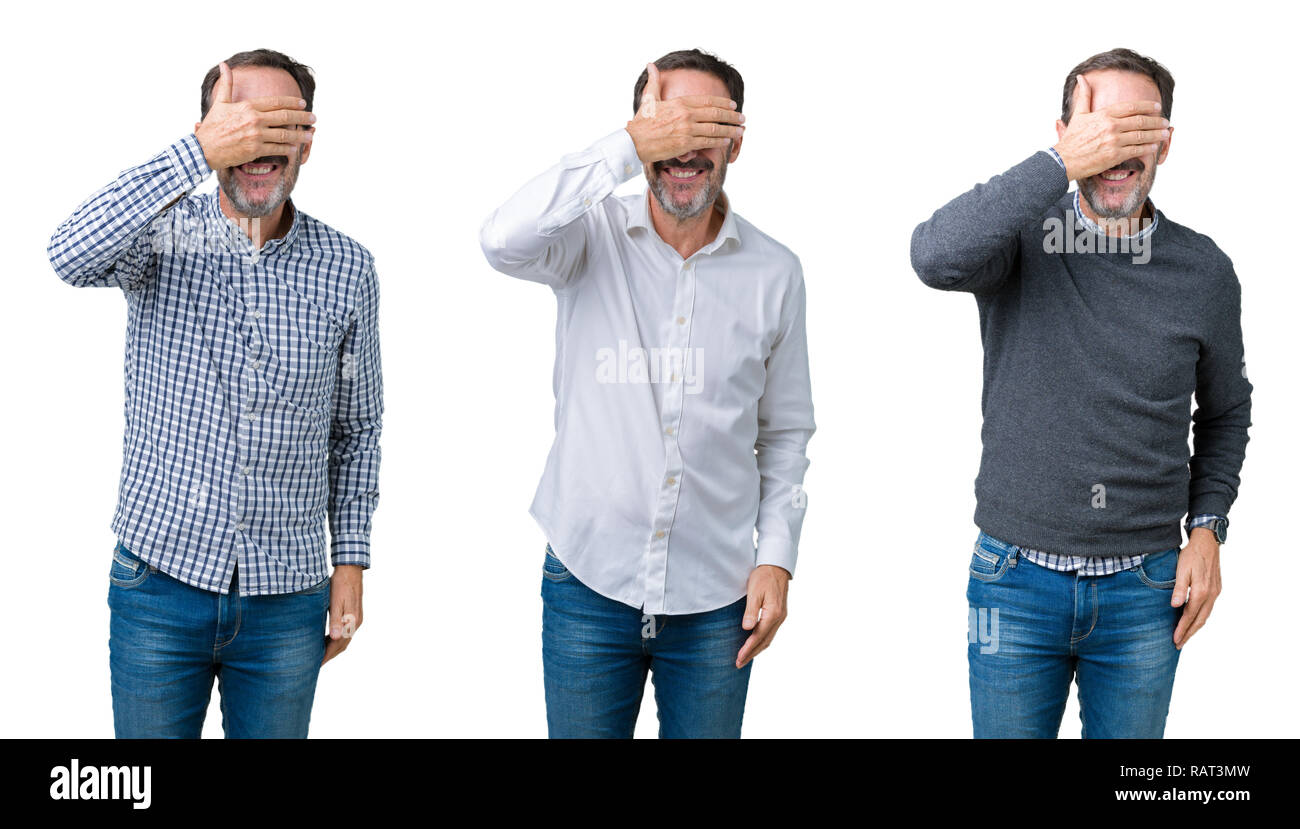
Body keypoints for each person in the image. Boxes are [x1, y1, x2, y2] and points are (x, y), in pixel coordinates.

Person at [911, 48, 1251, 738]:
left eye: (1136, 131)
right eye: (1099, 130)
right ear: (1064, 137)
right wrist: (1054, 164)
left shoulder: (1204, 271)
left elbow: (1225, 411)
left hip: (1146, 589)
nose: (1117, 150)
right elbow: (932, 255)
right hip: (1011, 581)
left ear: (1165, 144)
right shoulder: (1020, 241)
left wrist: (1208, 527)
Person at [47, 49, 383, 738]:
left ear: (308, 141)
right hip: (157, 585)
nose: (258, 146)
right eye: (239, 125)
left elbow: (357, 429)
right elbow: (67, 253)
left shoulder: (349, 267)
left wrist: (349, 564)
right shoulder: (158, 236)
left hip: (288, 599)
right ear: (210, 134)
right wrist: (194, 153)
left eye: (277, 127)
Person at [480, 49, 815, 738]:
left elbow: (784, 431)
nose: (683, 147)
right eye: (665, 126)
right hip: (587, 584)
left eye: (704, 128)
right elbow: (499, 239)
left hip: (717, 599)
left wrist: (777, 555)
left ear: (737, 143)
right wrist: (627, 147)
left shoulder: (776, 272)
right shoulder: (586, 238)